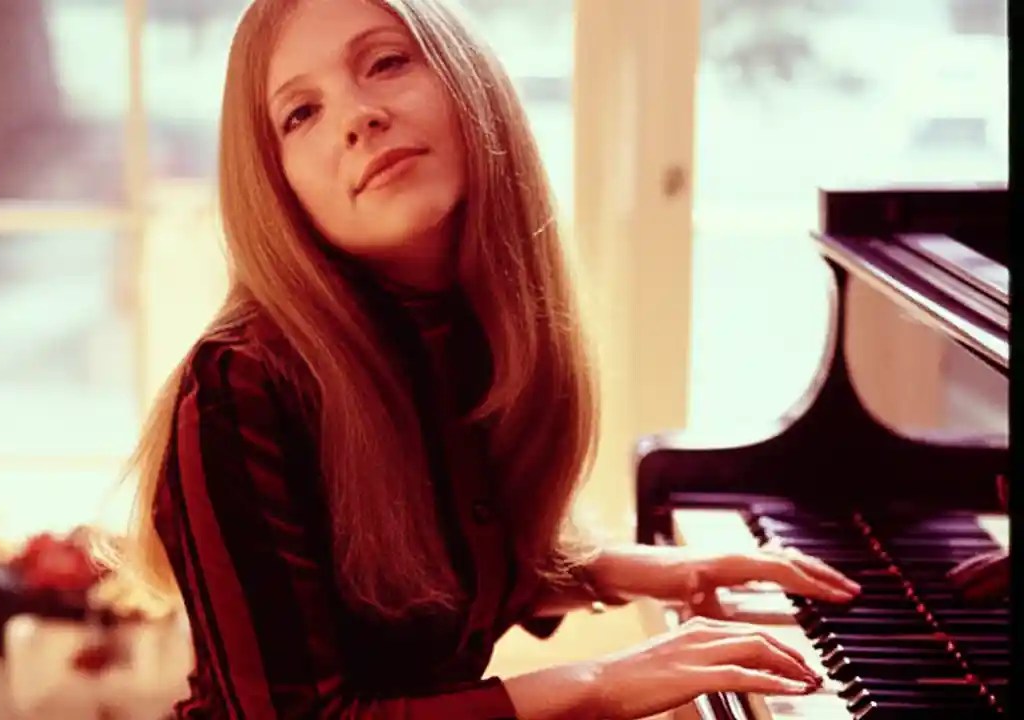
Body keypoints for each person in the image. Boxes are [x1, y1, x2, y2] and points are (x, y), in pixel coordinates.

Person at [121, 0, 862, 717]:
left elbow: (419, 576)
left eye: (385, 63)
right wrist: (599, 685)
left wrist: (610, 571)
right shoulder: (238, 388)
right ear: (276, 186)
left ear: (465, 80)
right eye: (301, 113)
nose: (358, 116)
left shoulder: (469, 332)